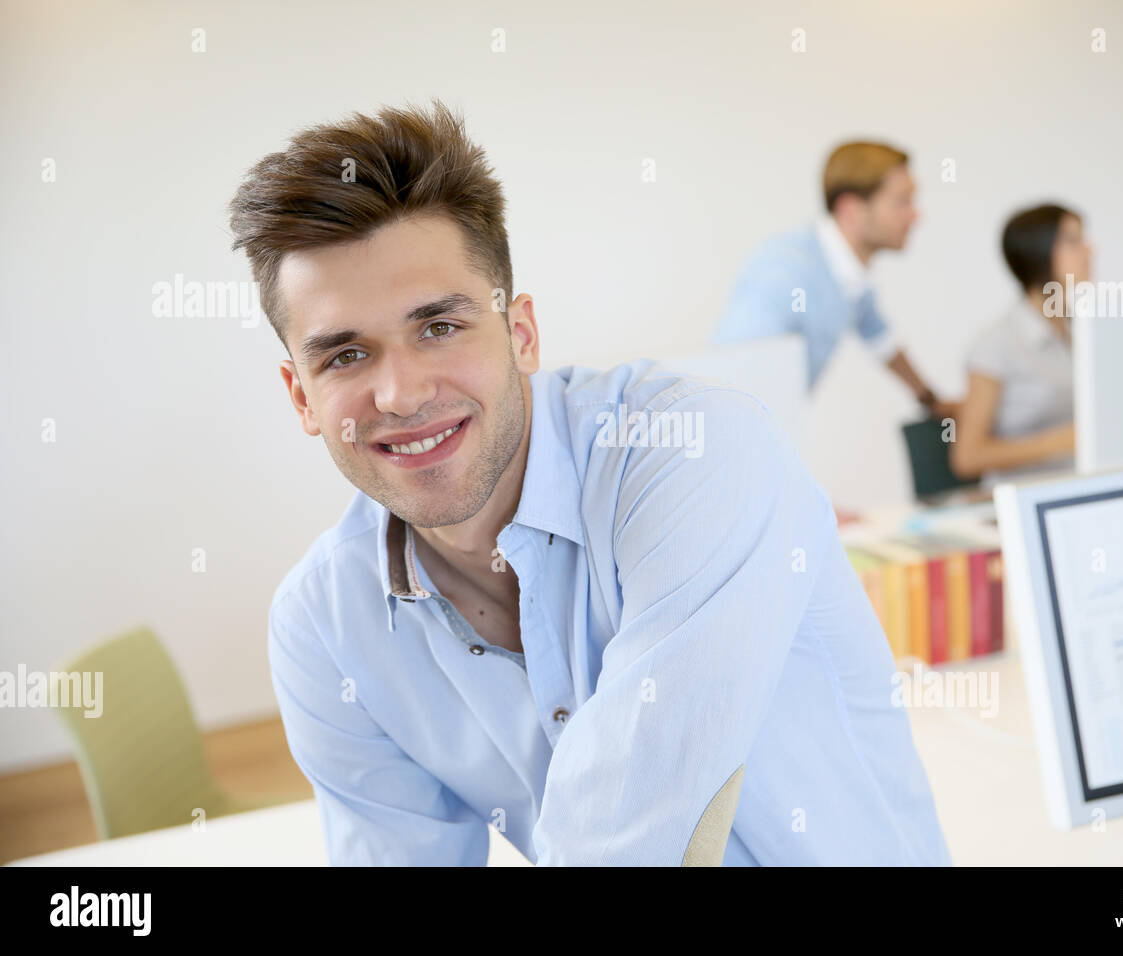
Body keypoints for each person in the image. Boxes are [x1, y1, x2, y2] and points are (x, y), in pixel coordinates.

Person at [228, 100, 950, 866]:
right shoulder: (325, 625)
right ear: (301, 395)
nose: (400, 394)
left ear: (521, 334)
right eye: (344, 356)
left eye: (438, 326)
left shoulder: (696, 452)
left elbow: (621, 839)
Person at [713, 140, 958, 420]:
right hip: (737, 432)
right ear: (851, 209)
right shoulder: (790, 270)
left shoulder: (849, 276)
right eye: (902, 202)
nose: (916, 216)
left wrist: (931, 401)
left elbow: (882, 342)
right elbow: (736, 373)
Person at [949, 203, 1091, 485]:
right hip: (1023, 500)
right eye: (1073, 242)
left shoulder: (1081, 333)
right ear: (1038, 253)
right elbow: (967, 457)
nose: (1089, 251)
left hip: (1080, 489)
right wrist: (1063, 441)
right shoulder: (997, 345)